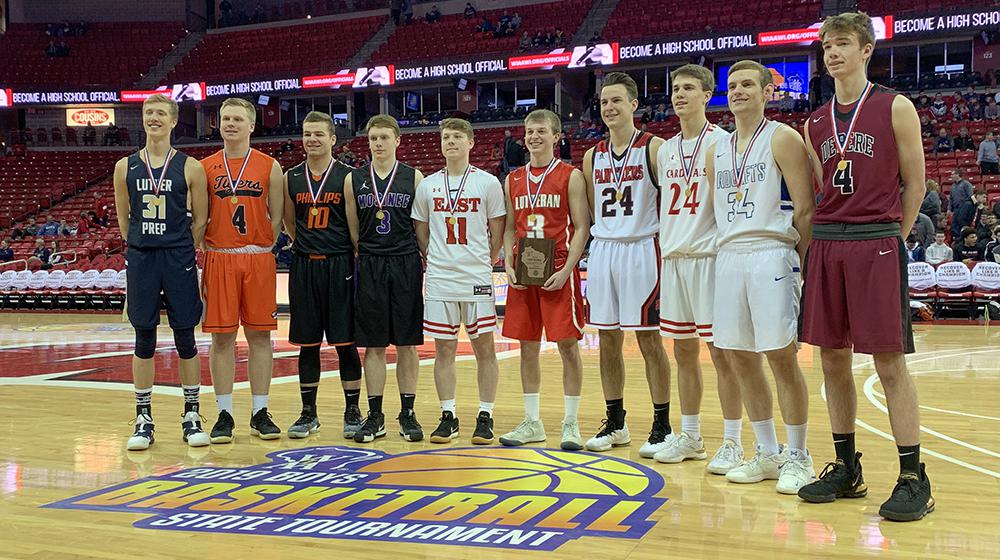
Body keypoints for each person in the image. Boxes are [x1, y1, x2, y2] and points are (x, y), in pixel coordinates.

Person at [798, 12, 933, 522]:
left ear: (865, 50)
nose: (832, 53)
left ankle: (913, 475)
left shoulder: (895, 106)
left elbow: (915, 186)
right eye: (827, 46)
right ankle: (845, 466)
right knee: (832, 360)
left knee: (888, 363)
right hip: (828, 244)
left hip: (876, 240)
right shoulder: (814, 121)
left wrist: (892, 241)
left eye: (842, 45)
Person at [705, 60, 816, 494]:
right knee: (738, 356)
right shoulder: (718, 150)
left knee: (781, 356)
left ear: (768, 91)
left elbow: (805, 209)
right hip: (730, 255)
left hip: (772, 252)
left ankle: (798, 454)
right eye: (732, 86)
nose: (738, 91)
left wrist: (800, 263)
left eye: (748, 84)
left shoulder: (783, 138)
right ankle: (767, 451)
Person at [652, 64, 745, 472]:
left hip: (709, 258)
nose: (680, 95)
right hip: (673, 259)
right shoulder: (666, 149)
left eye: (689, 88)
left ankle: (733, 442)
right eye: (675, 89)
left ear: (708, 95)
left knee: (722, 354)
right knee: (683, 354)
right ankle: (690, 435)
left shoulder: (723, 143)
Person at [112, 94, 209, 450]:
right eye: (148, 113)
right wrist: (143, 243)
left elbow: (200, 221)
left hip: (178, 256)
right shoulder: (125, 166)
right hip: (142, 257)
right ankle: (143, 417)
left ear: (173, 122)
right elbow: (124, 221)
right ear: (143, 119)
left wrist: (178, 244)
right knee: (144, 338)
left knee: (186, 336)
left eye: (160, 114)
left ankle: (192, 413)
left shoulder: (190, 166)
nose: (153, 118)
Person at [581, 72, 671, 455]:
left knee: (649, 339)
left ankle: (662, 424)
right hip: (603, 249)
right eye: (604, 102)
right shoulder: (592, 155)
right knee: (607, 340)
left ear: (634, 105)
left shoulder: (655, 148)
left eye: (617, 100)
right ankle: (616, 422)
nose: (609, 108)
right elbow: (588, 212)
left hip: (642, 247)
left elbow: (671, 205)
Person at [498, 109, 589, 450]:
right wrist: (508, 263)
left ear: (556, 136)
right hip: (523, 271)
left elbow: (581, 227)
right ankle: (532, 421)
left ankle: (570, 422)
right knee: (527, 347)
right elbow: (508, 229)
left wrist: (568, 271)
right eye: (529, 131)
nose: (533, 136)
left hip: (558, 267)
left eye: (541, 131)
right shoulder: (513, 179)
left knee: (567, 347)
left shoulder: (571, 176)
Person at [412, 118, 506, 445]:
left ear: (470, 143)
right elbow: (421, 231)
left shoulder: (488, 183)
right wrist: (435, 257)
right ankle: (448, 415)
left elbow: (498, 228)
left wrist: (487, 260)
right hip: (440, 278)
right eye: (445, 137)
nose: (450, 142)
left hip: (476, 276)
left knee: (485, 349)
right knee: (444, 350)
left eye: (456, 137)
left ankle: (486, 415)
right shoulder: (427, 186)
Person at [201, 97, 284, 443]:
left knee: (260, 336)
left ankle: (260, 411)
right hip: (219, 256)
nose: (230, 124)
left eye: (237, 119)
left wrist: (260, 244)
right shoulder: (203, 167)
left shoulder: (270, 166)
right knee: (221, 338)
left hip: (258, 257)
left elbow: (277, 218)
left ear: (252, 125)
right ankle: (224, 413)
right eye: (225, 119)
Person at [281, 111, 365, 440]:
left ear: (333, 139)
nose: (312, 139)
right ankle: (308, 413)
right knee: (308, 344)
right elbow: (290, 222)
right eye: (307, 134)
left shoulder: (347, 176)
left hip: (339, 264)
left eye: (319, 134)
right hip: (304, 265)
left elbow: (353, 223)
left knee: (346, 343)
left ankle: (352, 410)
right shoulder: (291, 177)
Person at [344, 115, 426, 443]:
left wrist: (425, 260)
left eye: (384, 138)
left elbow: (420, 227)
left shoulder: (414, 177)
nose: (378, 144)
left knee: (407, 343)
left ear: (397, 141)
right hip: (371, 263)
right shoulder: (355, 179)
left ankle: (407, 413)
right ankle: (375, 415)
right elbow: (353, 227)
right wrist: (367, 253)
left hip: (406, 262)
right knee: (374, 345)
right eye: (373, 138)